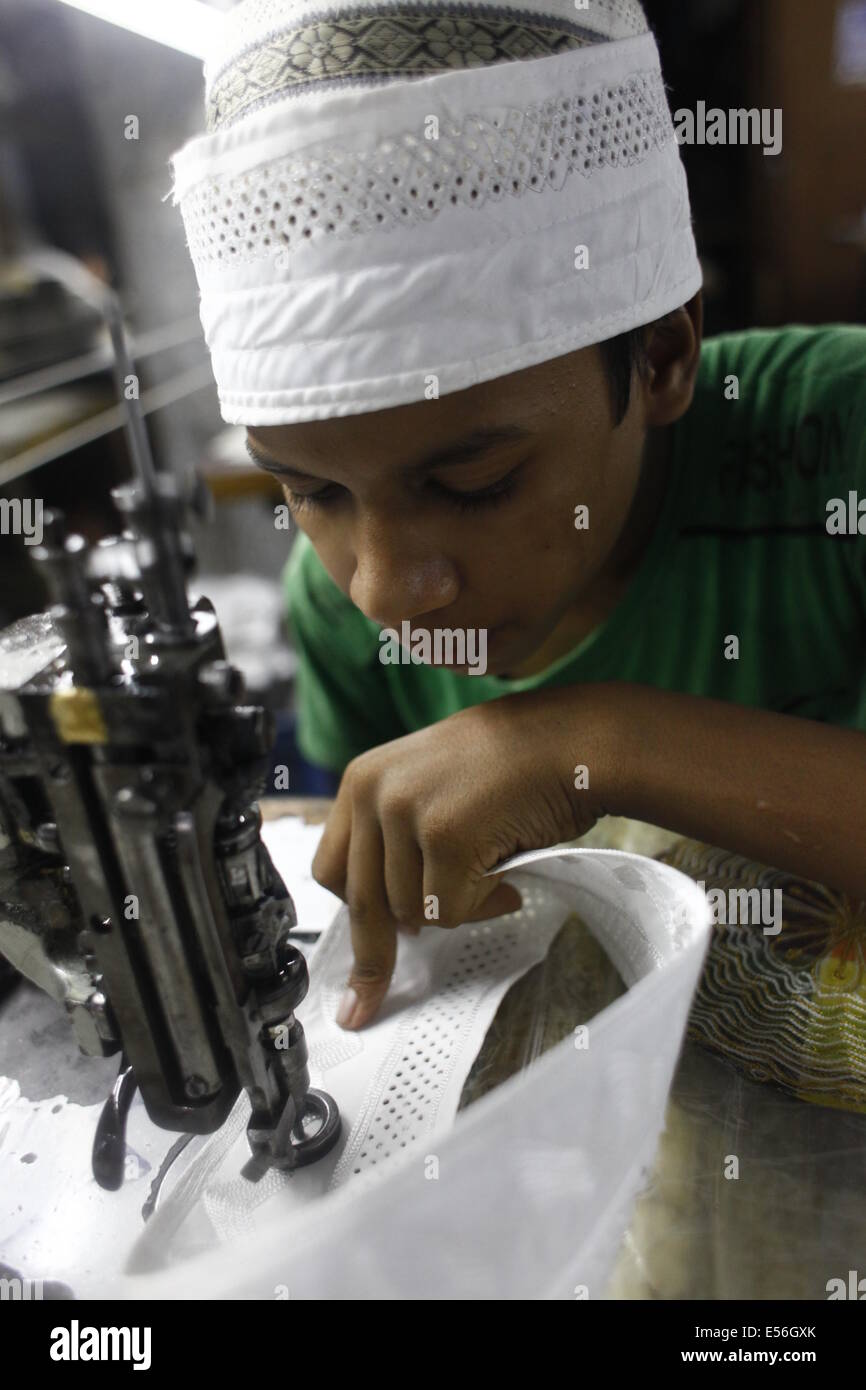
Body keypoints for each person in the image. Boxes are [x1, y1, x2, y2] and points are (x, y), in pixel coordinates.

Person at [172, 0, 866, 1032]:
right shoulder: (330, 609)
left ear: (663, 357)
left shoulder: (833, 442)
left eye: (473, 483)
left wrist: (594, 740)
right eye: (310, 492)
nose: (381, 587)